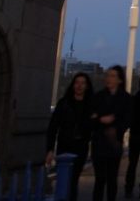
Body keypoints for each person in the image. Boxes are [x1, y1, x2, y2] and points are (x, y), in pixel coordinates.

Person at [46, 73, 94, 201]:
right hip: (65, 145)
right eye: (77, 82)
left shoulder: (91, 106)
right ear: (73, 85)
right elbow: (53, 127)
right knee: (64, 179)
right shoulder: (64, 103)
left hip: (80, 147)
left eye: (82, 83)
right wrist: (50, 149)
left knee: (73, 180)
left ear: (87, 86)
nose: (79, 86)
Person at [90, 65, 132, 201]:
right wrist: (102, 119)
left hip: (114, 143)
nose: (109, 78)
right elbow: (91, 117)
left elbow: (128, 119)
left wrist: (116, 126)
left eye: (113, 76)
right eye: (107, 75)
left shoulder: (126, 99)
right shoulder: (98, 96)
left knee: (112, 178)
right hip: (99, 142)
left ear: (120, 80)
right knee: (99, 179)